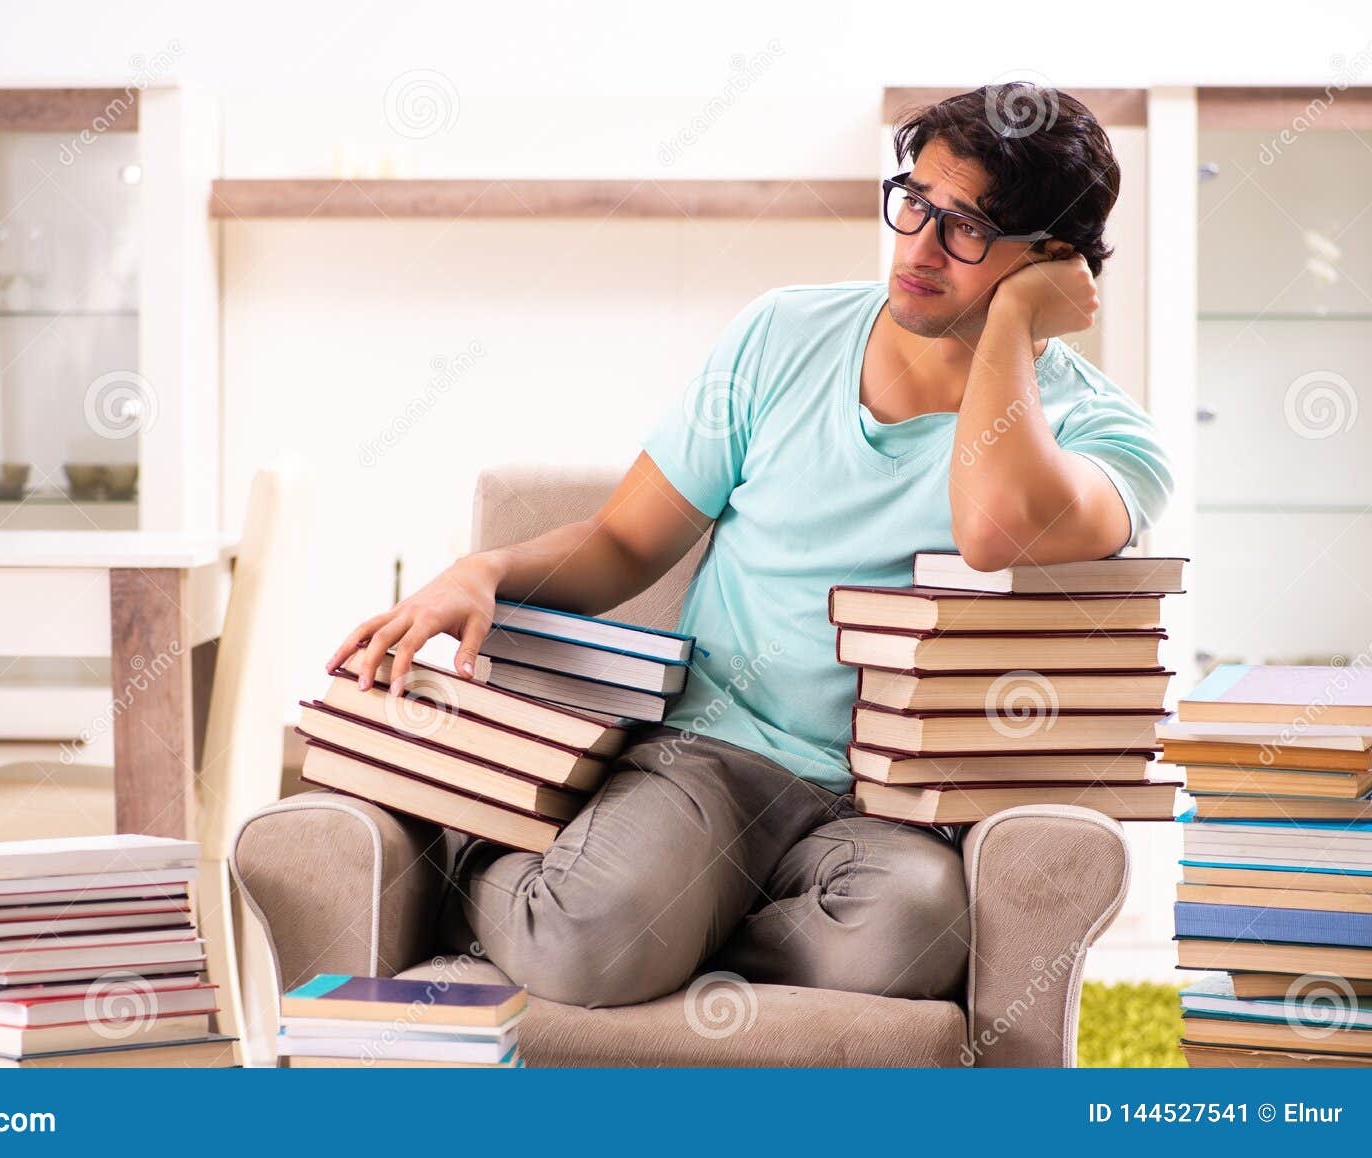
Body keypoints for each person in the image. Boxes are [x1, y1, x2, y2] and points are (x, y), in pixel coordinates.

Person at [325, 83, 1174, 1009]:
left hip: (888, 811)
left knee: (907, 936)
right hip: (712, 759)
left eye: (968, 229)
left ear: (1052, 265)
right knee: (588, 944)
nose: (920, 248)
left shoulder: (1111, 439)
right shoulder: (783, 334)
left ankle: (666, 915)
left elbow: (993, 529)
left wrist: (1009, 326)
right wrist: (483, 569)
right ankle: (509, 870)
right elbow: (623, 542)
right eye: (915, 204)